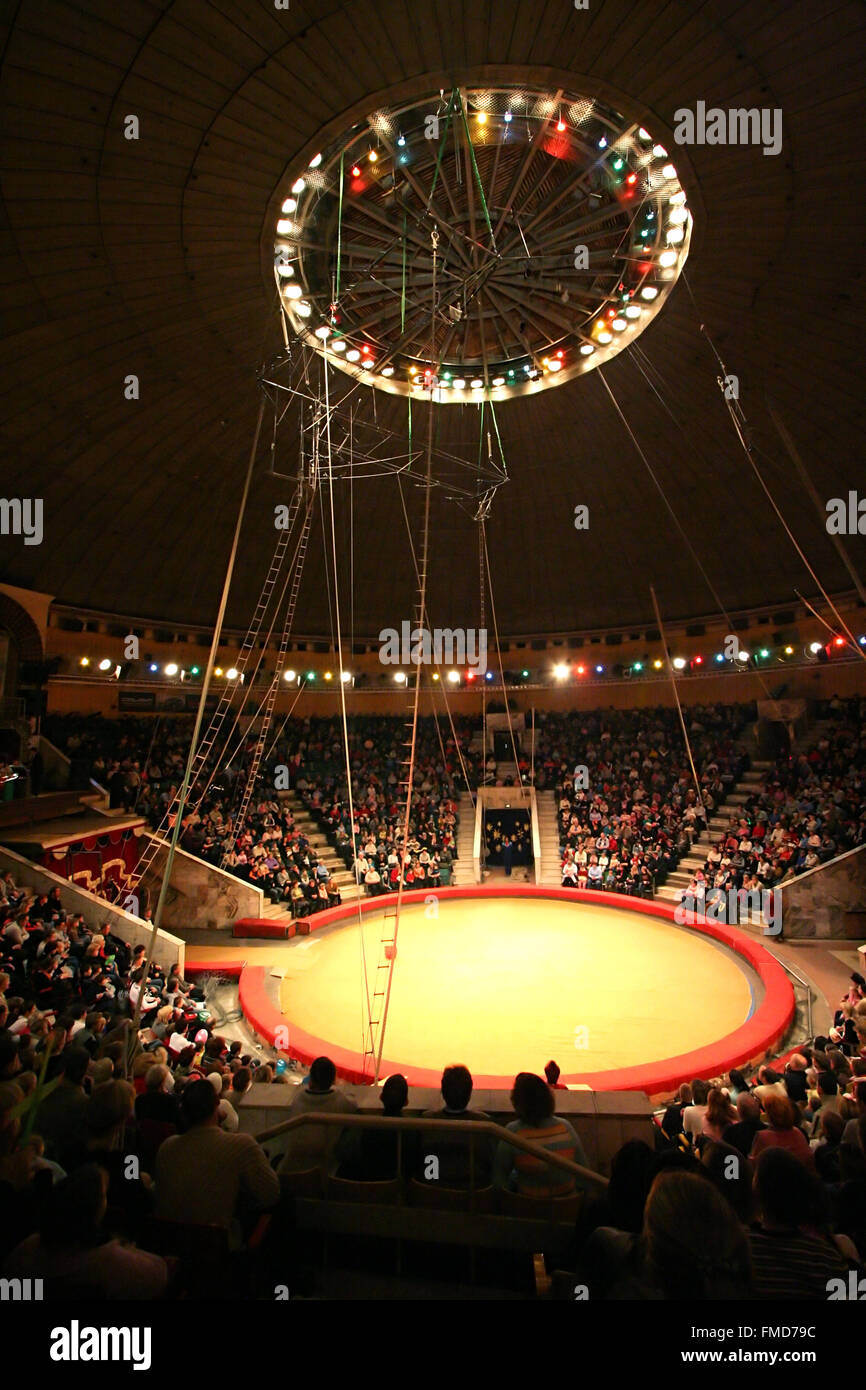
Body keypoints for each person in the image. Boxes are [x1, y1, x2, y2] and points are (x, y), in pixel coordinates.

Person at [3, 1163, 167, 1299]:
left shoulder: (27, 1250)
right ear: (95, 1208)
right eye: (103, 1195)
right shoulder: (112, 1262)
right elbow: (159, 1276)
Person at [155, 1079, 279, 1241]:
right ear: (216, 1106)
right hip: (214, 1251)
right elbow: (271, 1195)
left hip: (169, 1243)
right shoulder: (241, 1145)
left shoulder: (166, 1147)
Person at [493, 1072, 590, 1198]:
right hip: (567, 1210)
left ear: (517, 1102)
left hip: (528, 1210)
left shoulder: (513, 1131)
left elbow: (499, 1182)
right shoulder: (565, 1127)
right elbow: (584, 1174)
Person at [277, 1056, 357, 1177]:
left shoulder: (298, 1097)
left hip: (289, 1173)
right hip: (322, 1176)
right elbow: (353, 1104)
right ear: (333, 1080)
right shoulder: (340, 1101)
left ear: (311, 1078)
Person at [420, 1064, 491, 1188]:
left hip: (433, 1190)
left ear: (442, 1092)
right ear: (469, 1094)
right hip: (471, 1193)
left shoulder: (427, 1120)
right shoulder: (484, 1124)